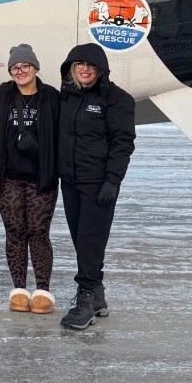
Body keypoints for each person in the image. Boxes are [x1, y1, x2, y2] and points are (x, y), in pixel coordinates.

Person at [57, 43, 135, 329]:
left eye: (90, 65)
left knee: (91, 240)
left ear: (100, 70)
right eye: (79, 65)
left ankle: (85, 298)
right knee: (82, 240)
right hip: (70, 181)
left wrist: (113, 181)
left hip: (98, 183)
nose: (85, 69)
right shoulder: (66, 97)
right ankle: (97, 296)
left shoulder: (116, 99)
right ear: (71, 69)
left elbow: (123, 142)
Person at [0, 44, 59, 314]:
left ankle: (43, 290)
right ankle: (19, 289)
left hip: (41, 178)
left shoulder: (51, 97)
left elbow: (61, 135)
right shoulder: (1, 96)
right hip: (8, 178)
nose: (21, 71)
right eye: (15, 67)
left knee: (39, 234)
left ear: (35, 67)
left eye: (25, 66)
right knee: (15, 233)